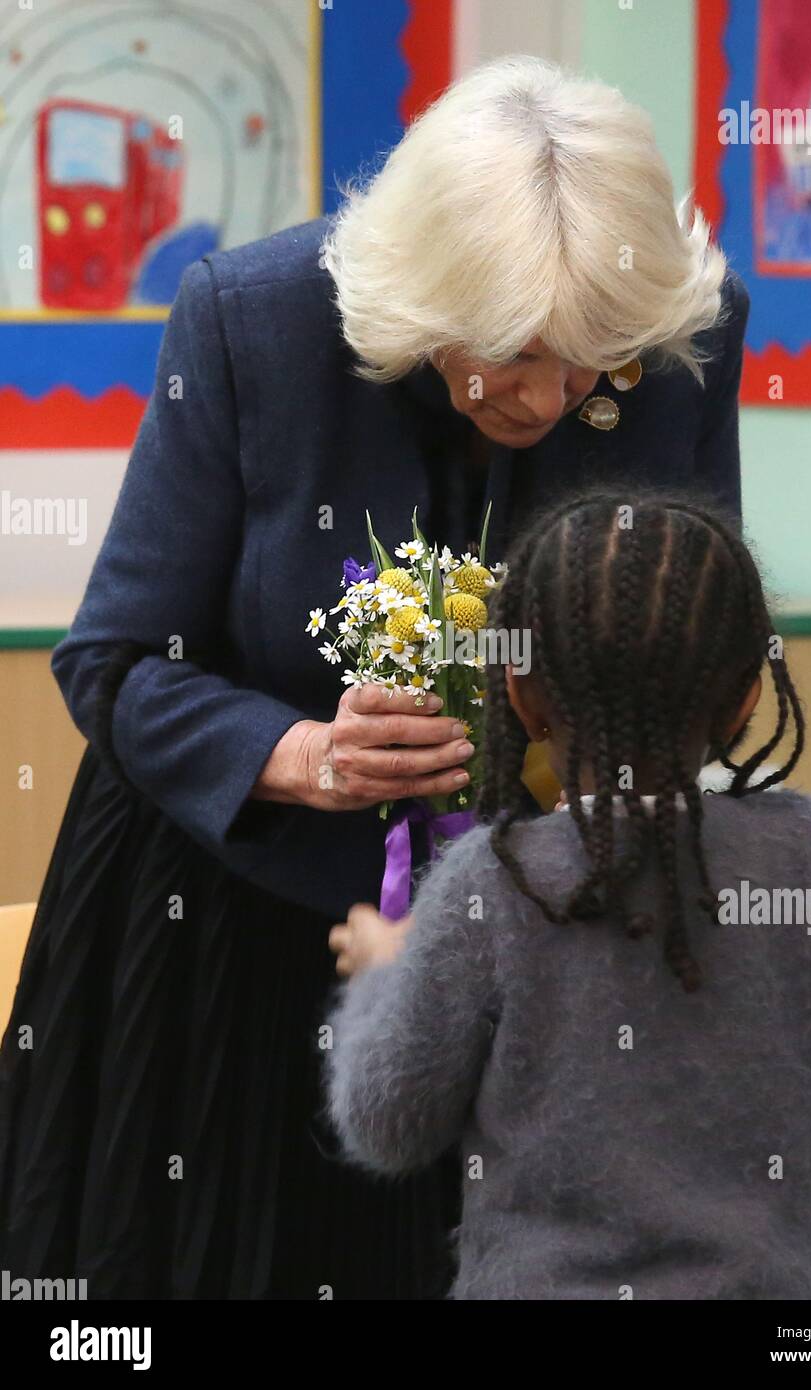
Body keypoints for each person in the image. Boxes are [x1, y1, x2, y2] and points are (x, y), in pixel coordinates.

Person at [1, 57, 745, 1298]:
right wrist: (298, 756)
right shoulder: (255, 319)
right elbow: (115, 662)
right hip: (234, 931)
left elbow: (697, 651)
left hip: (541, 932)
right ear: (428, 300)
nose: (553, 396)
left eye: (591, 364)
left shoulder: (676, 338)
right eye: (514, 355)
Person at [326, 490, 811, 1301]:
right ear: (747, 696)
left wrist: (381, 976)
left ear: (520, 694)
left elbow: (387, 1123)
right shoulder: (803, 858)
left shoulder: (488, 880)